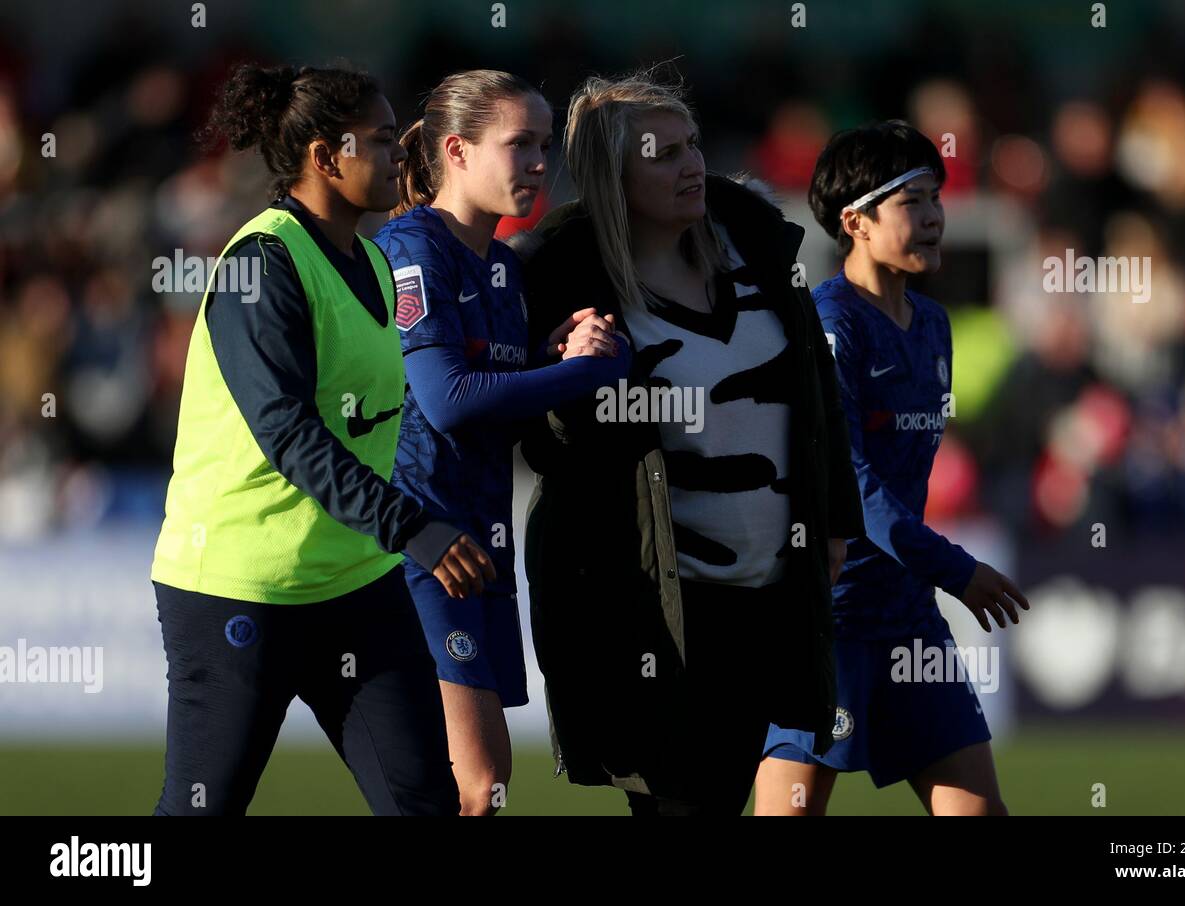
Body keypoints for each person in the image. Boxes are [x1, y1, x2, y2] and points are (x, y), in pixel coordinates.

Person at [513, 69, 863, 815]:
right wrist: (562, 373)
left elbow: (817, 393)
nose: (692, 164)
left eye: (693, 145)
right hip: (654, 601)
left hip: (766, 595)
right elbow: (543, 444)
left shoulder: (758, 243)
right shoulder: (562, 274)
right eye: (663, 153)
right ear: (613, 175)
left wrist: (837, 518)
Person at [150, 63, 493, 816]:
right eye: (379, 140)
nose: (401, 155)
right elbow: (287, 433)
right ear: (324, 156)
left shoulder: (374, 261)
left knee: (426, 804)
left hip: (356, 585)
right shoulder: (260, 263)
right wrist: (414, 527)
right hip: (239, 589)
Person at [374, 70, 630, 815]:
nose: (541, 163)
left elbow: (502, 413)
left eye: (547, 146)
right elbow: (448, 403)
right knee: (480, 787)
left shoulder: (502, 267)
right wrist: (577, 374)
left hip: (483, 545)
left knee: (472, 789)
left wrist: (555, 358)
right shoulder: (412, 247)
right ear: (456, 149)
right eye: (520, 145)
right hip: (423, 544)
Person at [756, 121, 1030, 816]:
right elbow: (846, 478)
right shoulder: (828, 326)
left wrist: (928, 576)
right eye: (912, 201)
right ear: (856, 222)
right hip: (830, 618)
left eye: (936, 197)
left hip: (909, 618)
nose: (935, 216)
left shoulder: (934, 325)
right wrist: (954, 567)